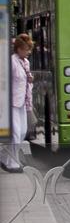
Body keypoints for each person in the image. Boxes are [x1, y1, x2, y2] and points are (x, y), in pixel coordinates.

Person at [2, 34, 34, 173]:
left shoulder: (26, 62)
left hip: (22, 101)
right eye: (27, 49)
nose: (29, 52)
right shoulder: (10, 62)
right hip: (11, 101)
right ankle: (12, 163)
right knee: (15, 133)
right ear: (19, 49)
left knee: (22, 132)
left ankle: (4, 157)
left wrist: (29, 81)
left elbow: (25, 82)